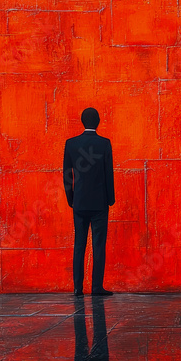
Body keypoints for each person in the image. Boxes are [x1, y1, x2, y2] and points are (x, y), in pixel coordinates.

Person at [63, 107, 116, 296]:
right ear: (98, 121)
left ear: (83, 121)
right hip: (100, 203)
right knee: (98, 245)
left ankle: (78, 288)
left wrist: (71, 198)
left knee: (79, 244)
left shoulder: (71, 144)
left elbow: (67, 174)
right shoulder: (104, 144)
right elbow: (108, 173)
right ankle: (96, 287)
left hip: (80, 202)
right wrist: (111, 199)